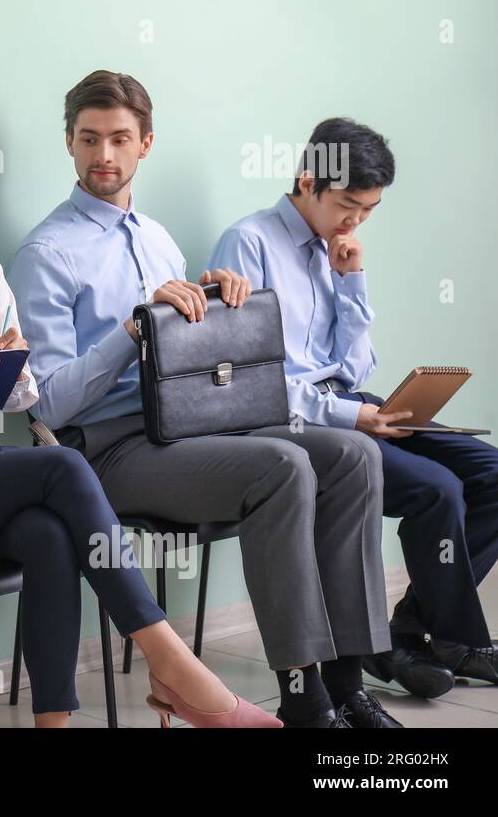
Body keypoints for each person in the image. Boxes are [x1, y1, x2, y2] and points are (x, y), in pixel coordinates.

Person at [0, 117, 277, 728]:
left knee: (49, 535)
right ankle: (172, 662)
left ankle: (53, 724)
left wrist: (12, 366)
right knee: (61, 463)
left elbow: (22, 399)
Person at [9, 72, 397, 728]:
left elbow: (181, 353)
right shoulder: (46, 254)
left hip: (186, 429)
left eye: (120, 139)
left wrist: (215, 304)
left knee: (354, 455)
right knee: (283, 467)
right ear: (70, 145)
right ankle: (303, 699)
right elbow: (46, 406)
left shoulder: (158, 240)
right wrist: (133, 329)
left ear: (145, 144)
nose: (104, 155)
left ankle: (346, 680)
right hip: (107, 452)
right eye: (89, 139)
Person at [209, 117, 498, 698]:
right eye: (347, 204)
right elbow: (243, 380)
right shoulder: (249, 242)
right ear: (307, 179)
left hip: (353, 403)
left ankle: (417, 625)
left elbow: (357, 366)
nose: (355, 220)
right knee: (438, 489)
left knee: (490, 473)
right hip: (293, 423)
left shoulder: (337, 249)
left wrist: (352, 280)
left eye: (368, 210)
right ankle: (455, 639)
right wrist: (350, 418)